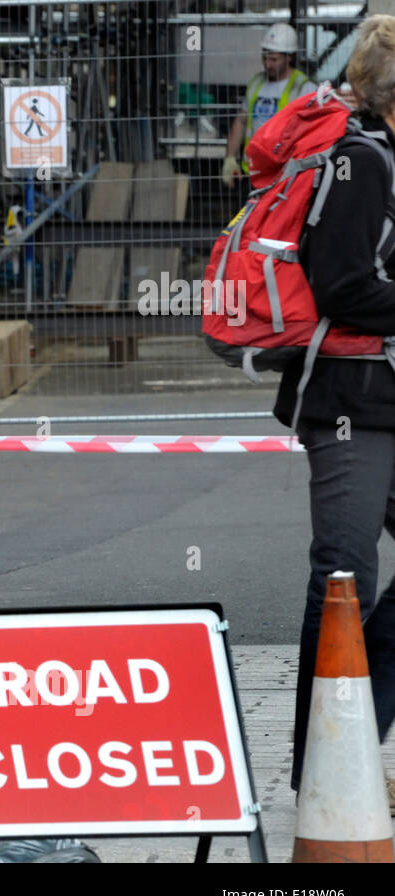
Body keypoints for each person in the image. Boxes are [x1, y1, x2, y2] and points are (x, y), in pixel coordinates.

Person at [272, 13, 395, 794]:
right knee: (345, 578)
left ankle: (347, 739)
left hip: (386, 392)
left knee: (350, 584)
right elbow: (344, 286)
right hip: (352, 400)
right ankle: (320, 764)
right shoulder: (361, 162)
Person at [223, 23, 318, 189]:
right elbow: (241, 121)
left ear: (289, 57)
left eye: (274, 59)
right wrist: (230, 158)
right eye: (265, 57)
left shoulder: (304, 88)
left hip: (284, 177)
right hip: (252, 174)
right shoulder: (256, 83)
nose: (268, 64)